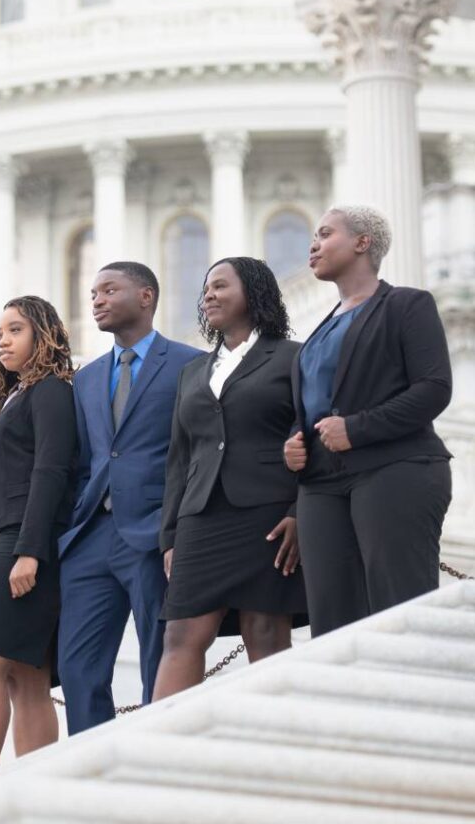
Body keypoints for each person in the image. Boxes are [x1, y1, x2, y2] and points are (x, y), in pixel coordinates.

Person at [284, 205, 453, 636]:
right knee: (330, 624)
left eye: (326, 234)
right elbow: (316, 401)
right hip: (320, 484)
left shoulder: (406, 305)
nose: (313, 244)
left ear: (362, 243)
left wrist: (356, 429)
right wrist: (295, 440)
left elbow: (434, 388)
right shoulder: (320, 328)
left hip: (394, 469)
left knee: (399, 612)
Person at [57, 262, 203, 733]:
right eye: (93, 293)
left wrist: (177, 527)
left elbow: (198, 450)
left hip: (155, 532)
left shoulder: (190, 363)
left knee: (158, 655)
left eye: (109, 290)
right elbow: (84, 458)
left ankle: (156, 753)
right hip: (90, 537)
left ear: (145, 296)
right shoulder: (85, 378)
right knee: (77, 667)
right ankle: (92, 761)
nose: (96, 300)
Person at [154, 257, 307, 700]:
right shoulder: (192, 372)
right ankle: (159, 739)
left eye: (220, 286)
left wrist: (300, 511)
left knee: (265, 631)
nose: (209, 295)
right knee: (181, 634)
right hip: (201, 516)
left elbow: (309, 435)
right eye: (206, 288)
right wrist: (169, 537)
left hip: (269, 517)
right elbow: (179, 458)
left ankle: (278, 735)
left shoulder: (293, 357)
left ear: (253, 292)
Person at [0, 296, 77, 774]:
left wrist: (29, 550)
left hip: (21, 538)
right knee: (27, 675)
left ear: (42, 334)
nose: (3, 341)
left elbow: (51, 470)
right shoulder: (15, 396)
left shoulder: (49, 390)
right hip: (6, 538)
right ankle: (35, 783)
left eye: (15, 330)